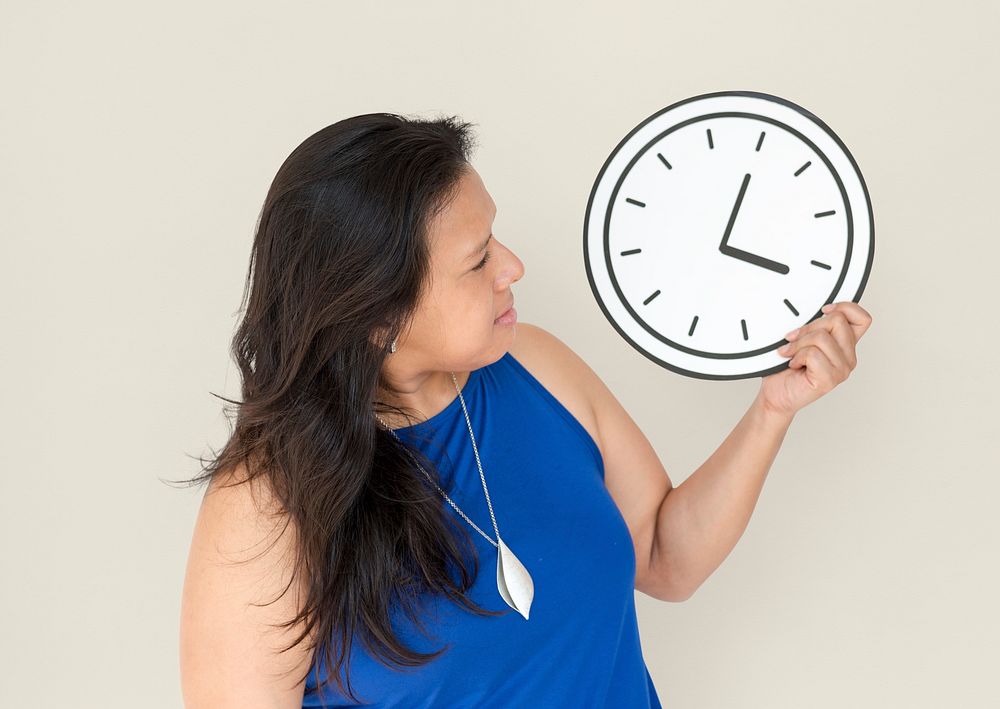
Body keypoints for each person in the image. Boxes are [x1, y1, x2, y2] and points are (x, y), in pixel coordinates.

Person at [178, 113, 872, 708]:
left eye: (496, 238)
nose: (512, 266)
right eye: (478, 259)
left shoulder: (536, 366)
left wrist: (773, 408)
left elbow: (665, 556)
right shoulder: (265, 505)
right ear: (377, 312)